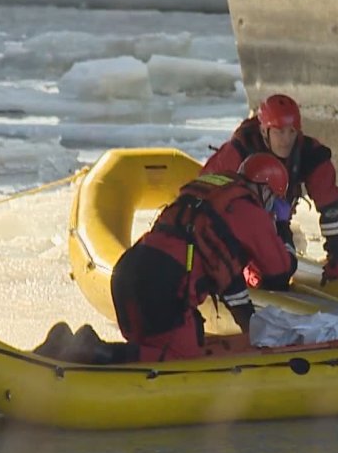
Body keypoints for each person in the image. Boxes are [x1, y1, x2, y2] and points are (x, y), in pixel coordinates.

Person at [34, 153, 297, 364]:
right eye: (276, 201)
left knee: (158, 347)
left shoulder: (212, 190)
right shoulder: (249, 211)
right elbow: (279, 271)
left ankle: (66, 343)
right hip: (162, 285)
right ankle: (93, 350)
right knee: (181, 361)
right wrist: (282, 226)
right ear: (266, 191)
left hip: (130, 269)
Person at [201, 94, 338, 285]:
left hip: (277, 222)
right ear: (264, 131)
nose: (286, 139)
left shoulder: (311, 155)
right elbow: (204, 195)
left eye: (291, 131)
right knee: (272, 273)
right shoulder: (238, 152)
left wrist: (336, 258)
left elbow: (331, 206)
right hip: (237, 223)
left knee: (279, 273)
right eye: (279, 132)